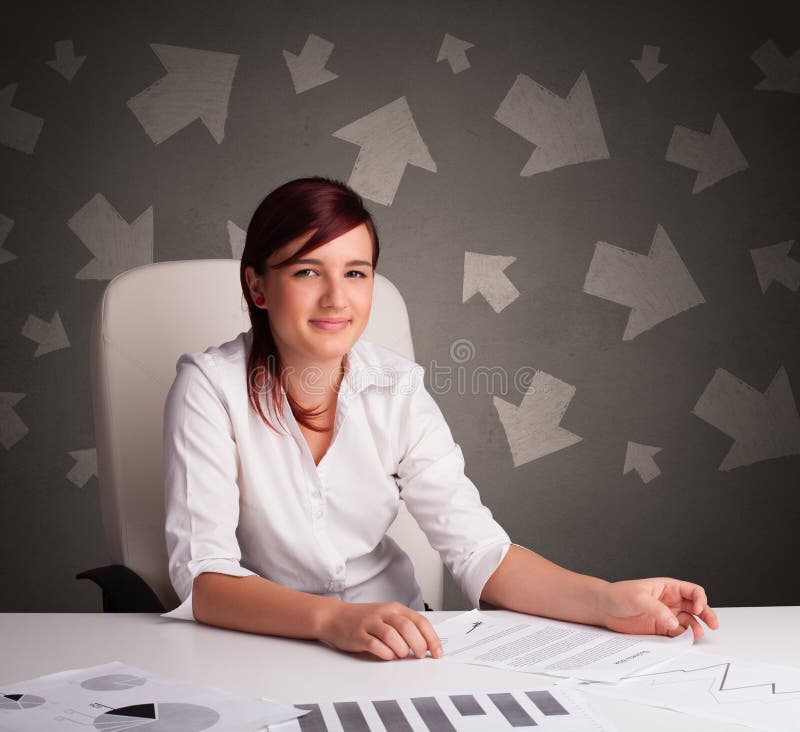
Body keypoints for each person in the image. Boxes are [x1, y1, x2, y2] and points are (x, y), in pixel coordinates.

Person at [163, 176, 719, 662]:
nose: (337, 298)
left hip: (399, 646)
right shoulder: (209, 387)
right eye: (308, 271)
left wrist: (607, 601)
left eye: (356, 273)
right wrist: (333, 621)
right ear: (258, 286)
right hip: (264, 651)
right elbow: (206, 579)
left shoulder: (399, 387)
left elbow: (479, 551)